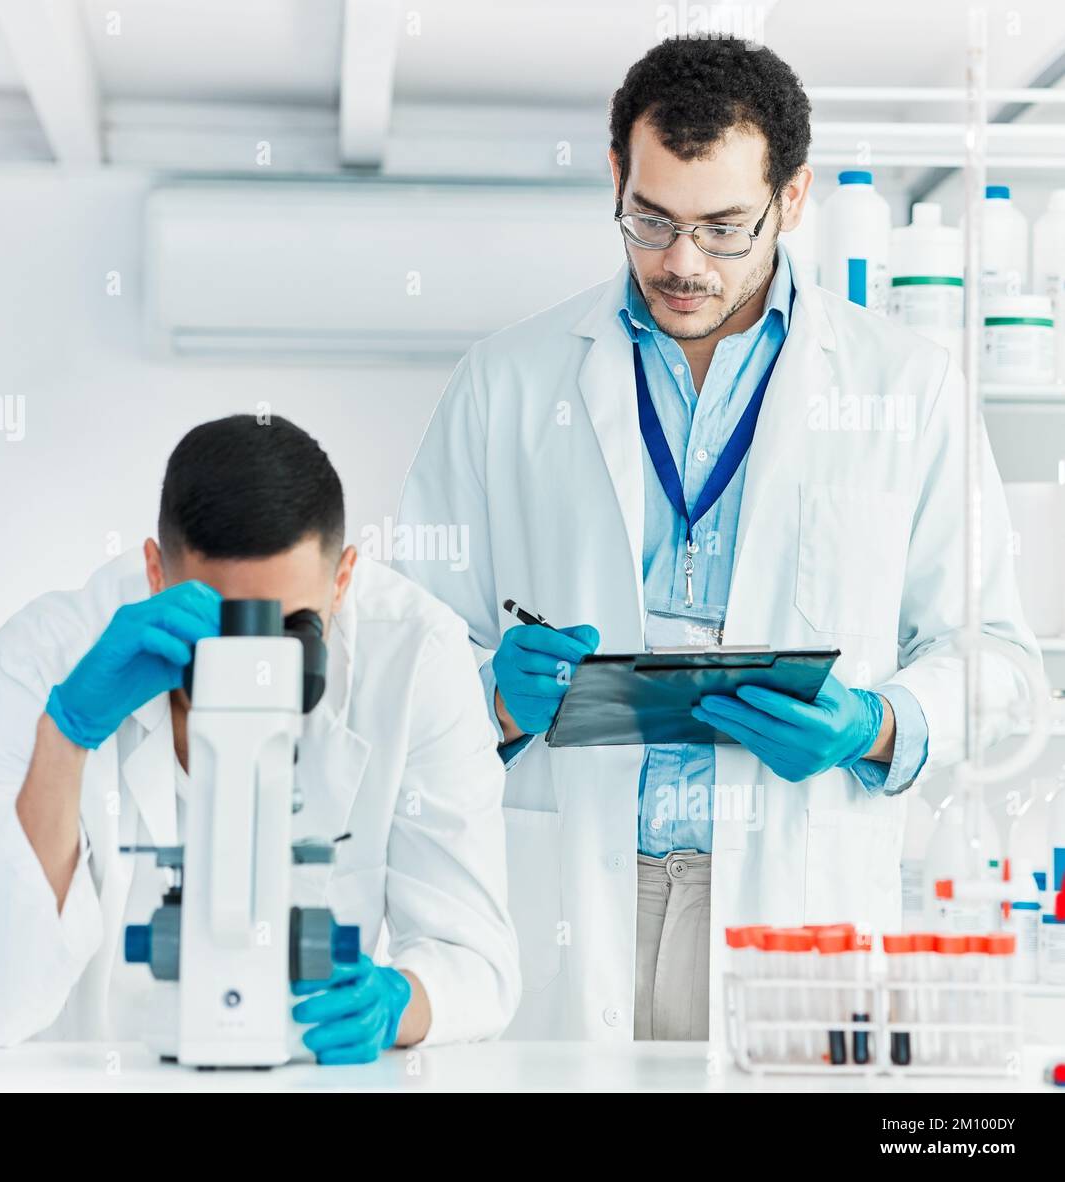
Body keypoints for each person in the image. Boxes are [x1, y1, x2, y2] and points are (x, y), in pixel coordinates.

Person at [394, 36, 1039, 1042]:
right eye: (649, 219)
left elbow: (998, 663)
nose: (681, 263)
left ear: (792, 200)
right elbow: (407, 650)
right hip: (564, 894)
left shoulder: (905, 389)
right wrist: (490, 698)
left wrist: (873, 721)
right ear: (615, 176)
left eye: (722, 227)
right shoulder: (506, 383)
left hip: (793, 909)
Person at [0, 414, 520, 1061]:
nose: (258, 661)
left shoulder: (416, 652)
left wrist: (400, 1002)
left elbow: (476, 961)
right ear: (155, 572)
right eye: (223, 624)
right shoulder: (44, 655)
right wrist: (67, 733)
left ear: (342, 580)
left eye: (288, 629)